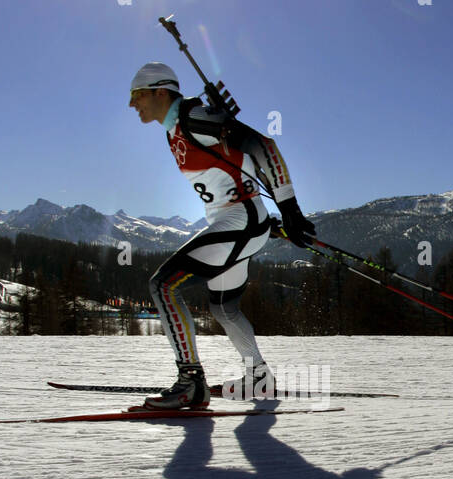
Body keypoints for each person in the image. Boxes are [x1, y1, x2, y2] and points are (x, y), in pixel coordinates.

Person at [128, 61, 315, 408]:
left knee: (163, 285)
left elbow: (263, 146)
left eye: (136, 95)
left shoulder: (194, 118)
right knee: (224, 308)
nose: (132, 103)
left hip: (241, 223)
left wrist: (290, 208)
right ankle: (258, 377)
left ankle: (190, 383)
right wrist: (267, 219)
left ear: (159, 91)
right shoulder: (176, 128)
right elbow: (233, 169)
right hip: (244, 222)